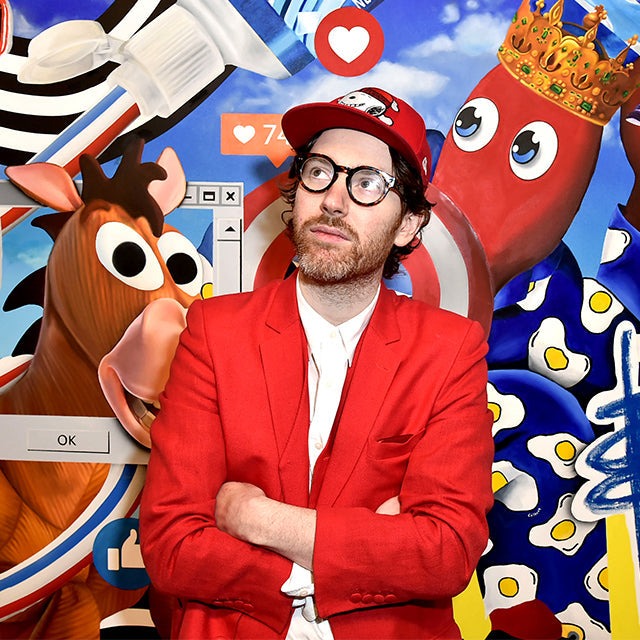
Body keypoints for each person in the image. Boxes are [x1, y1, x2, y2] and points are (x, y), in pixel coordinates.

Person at [139, 86, 494, 639]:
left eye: (367, 183)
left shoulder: (450, 349)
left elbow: (445, 553)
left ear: (408, 224)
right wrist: (354, 554)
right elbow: (172, 546)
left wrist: (258, 520)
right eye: (319, 172)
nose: (333, 199)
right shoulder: (215, 333)